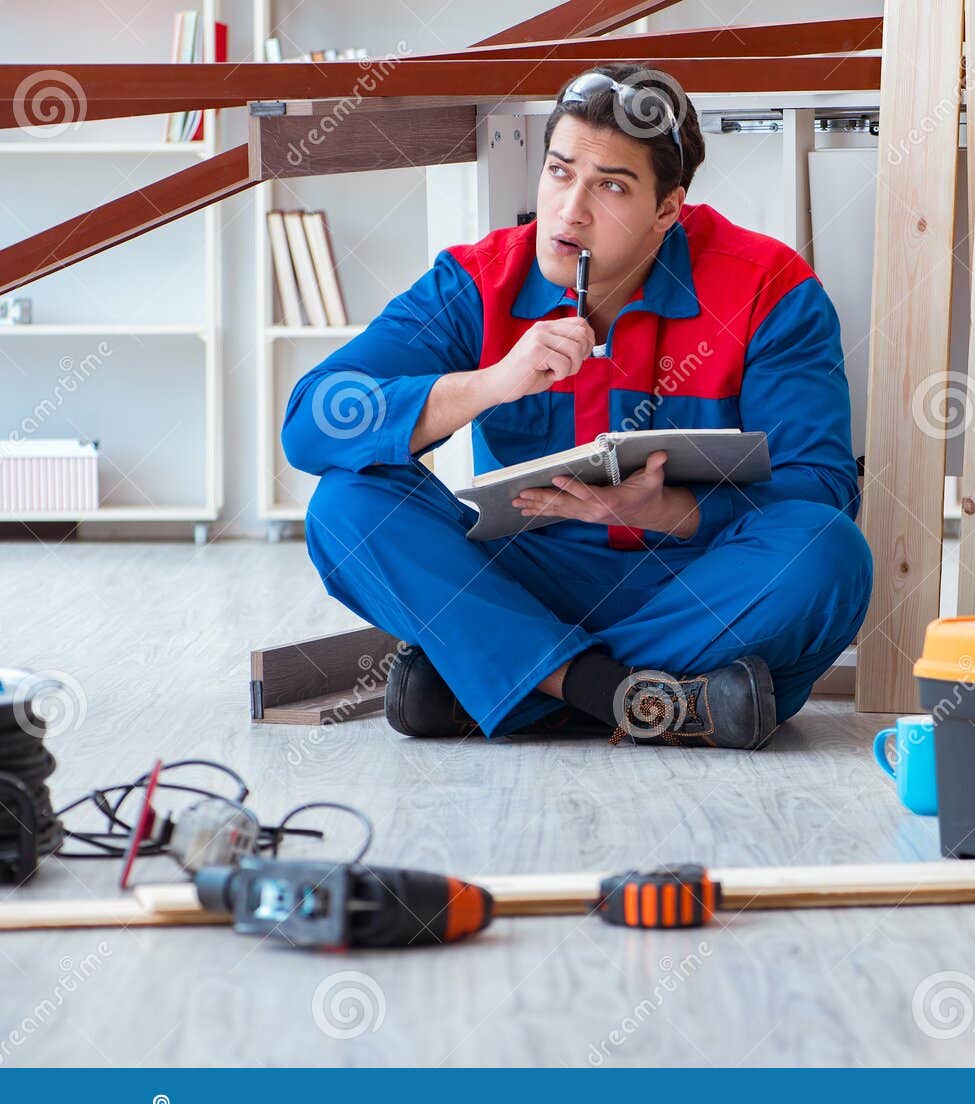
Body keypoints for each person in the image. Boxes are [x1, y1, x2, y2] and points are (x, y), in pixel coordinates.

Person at [281, 64, 870, 750]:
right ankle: (650, 699)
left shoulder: (769, 287)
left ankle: (512, 682)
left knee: (829, 553)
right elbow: (313, 423)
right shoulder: (477, 279)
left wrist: (671, 511)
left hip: (696, 582)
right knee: (346, 508)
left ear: (667, 211)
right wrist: (492, 383)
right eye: (559, 172)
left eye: (611, 186)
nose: (571, 210)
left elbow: (822, 486)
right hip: (525, 582)